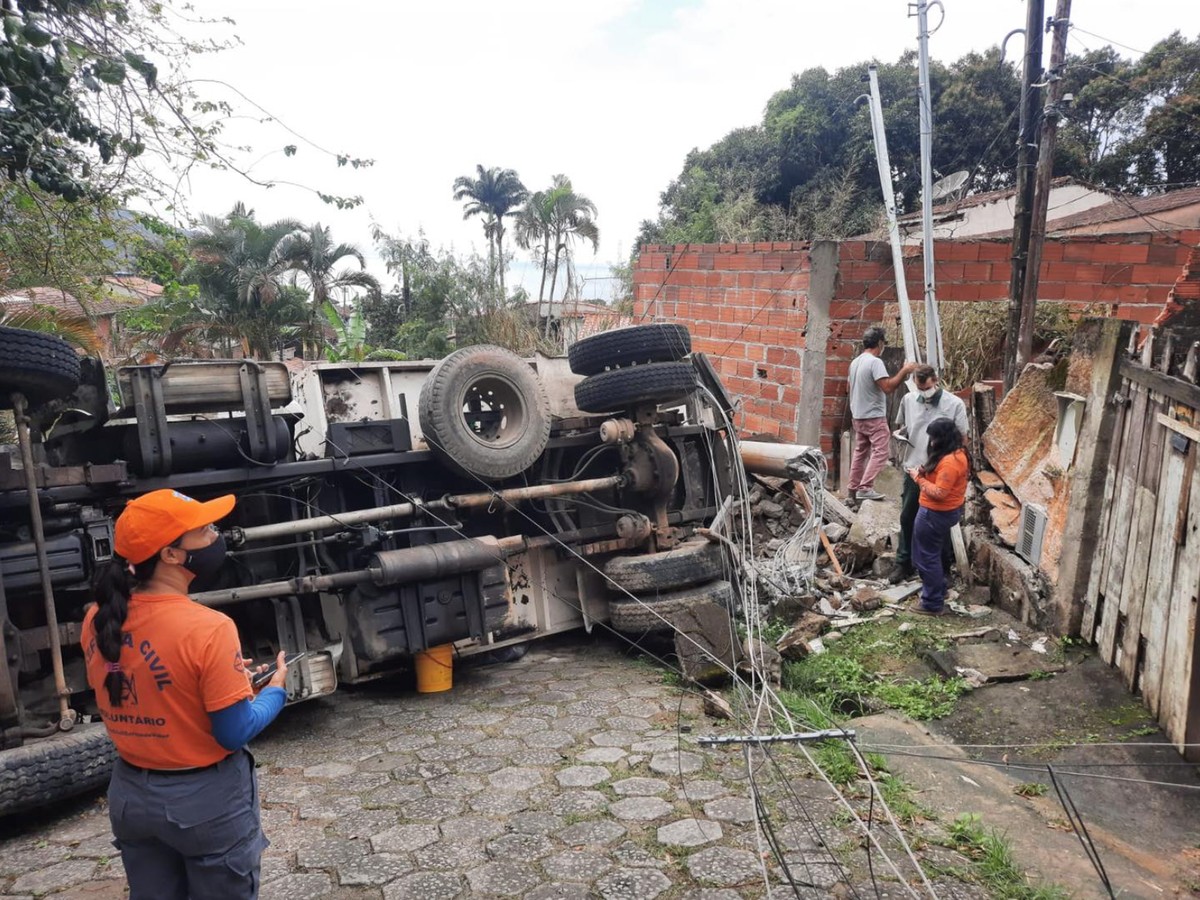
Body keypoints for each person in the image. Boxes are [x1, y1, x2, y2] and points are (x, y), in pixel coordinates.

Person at [81, 489, 289, 900]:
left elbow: (150, 681)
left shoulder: (97, 617)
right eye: (205, 530)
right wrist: (275, 692)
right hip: (202, 804)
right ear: (172, 555)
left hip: (130, 796)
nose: (216, 535)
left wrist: (226, 682)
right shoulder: (208, 628)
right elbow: (234, 731)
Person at [888, 365, 969, 584]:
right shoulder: (908, 400)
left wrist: (954, 467)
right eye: (918, 386)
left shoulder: (954, 404)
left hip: (941, 470)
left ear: (936, 380)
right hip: (915, 467)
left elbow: (962, 438)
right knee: (907, 517)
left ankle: (943, 568)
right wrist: (899, 435)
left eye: (926, 386)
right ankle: (903, 563)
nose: (923, 391)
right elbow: (903, 426)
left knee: (938, 522)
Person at [906, 418, 970, 615]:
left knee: (925, 557)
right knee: (931, 554)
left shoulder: (950, 462)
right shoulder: (958, 454)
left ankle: (932, 603)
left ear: (943, 438)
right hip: (945, 513)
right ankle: (938, 591)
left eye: (934, 438)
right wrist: (926, 472)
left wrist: (918, 479)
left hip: (934, 513)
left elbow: (940, 492)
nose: (932, 442)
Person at [847, 326, 917, 501]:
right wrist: (905, 370)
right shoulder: (874, 362)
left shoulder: (855, 362)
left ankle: (852, 490)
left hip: (858, 415)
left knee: (860, 452)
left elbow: (849, 387)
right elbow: (888, 387)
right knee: (881, 452)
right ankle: (865, 487)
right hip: (873, 416)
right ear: (879, 343)